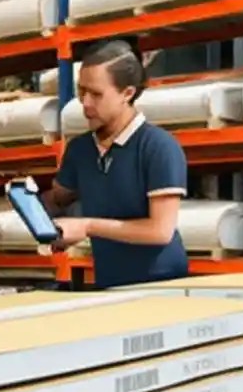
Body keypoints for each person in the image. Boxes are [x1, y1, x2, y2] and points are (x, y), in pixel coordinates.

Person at [41, 40, 189, 288]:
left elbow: (160, 231)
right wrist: (30, 206)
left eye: (96, 94)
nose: (85, 103)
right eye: (81, 91)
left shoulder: (158, 147)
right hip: (109, 283)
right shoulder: (80, 150)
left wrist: (87, 226)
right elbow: (57, 199)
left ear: (127, 93)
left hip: (161, 286)